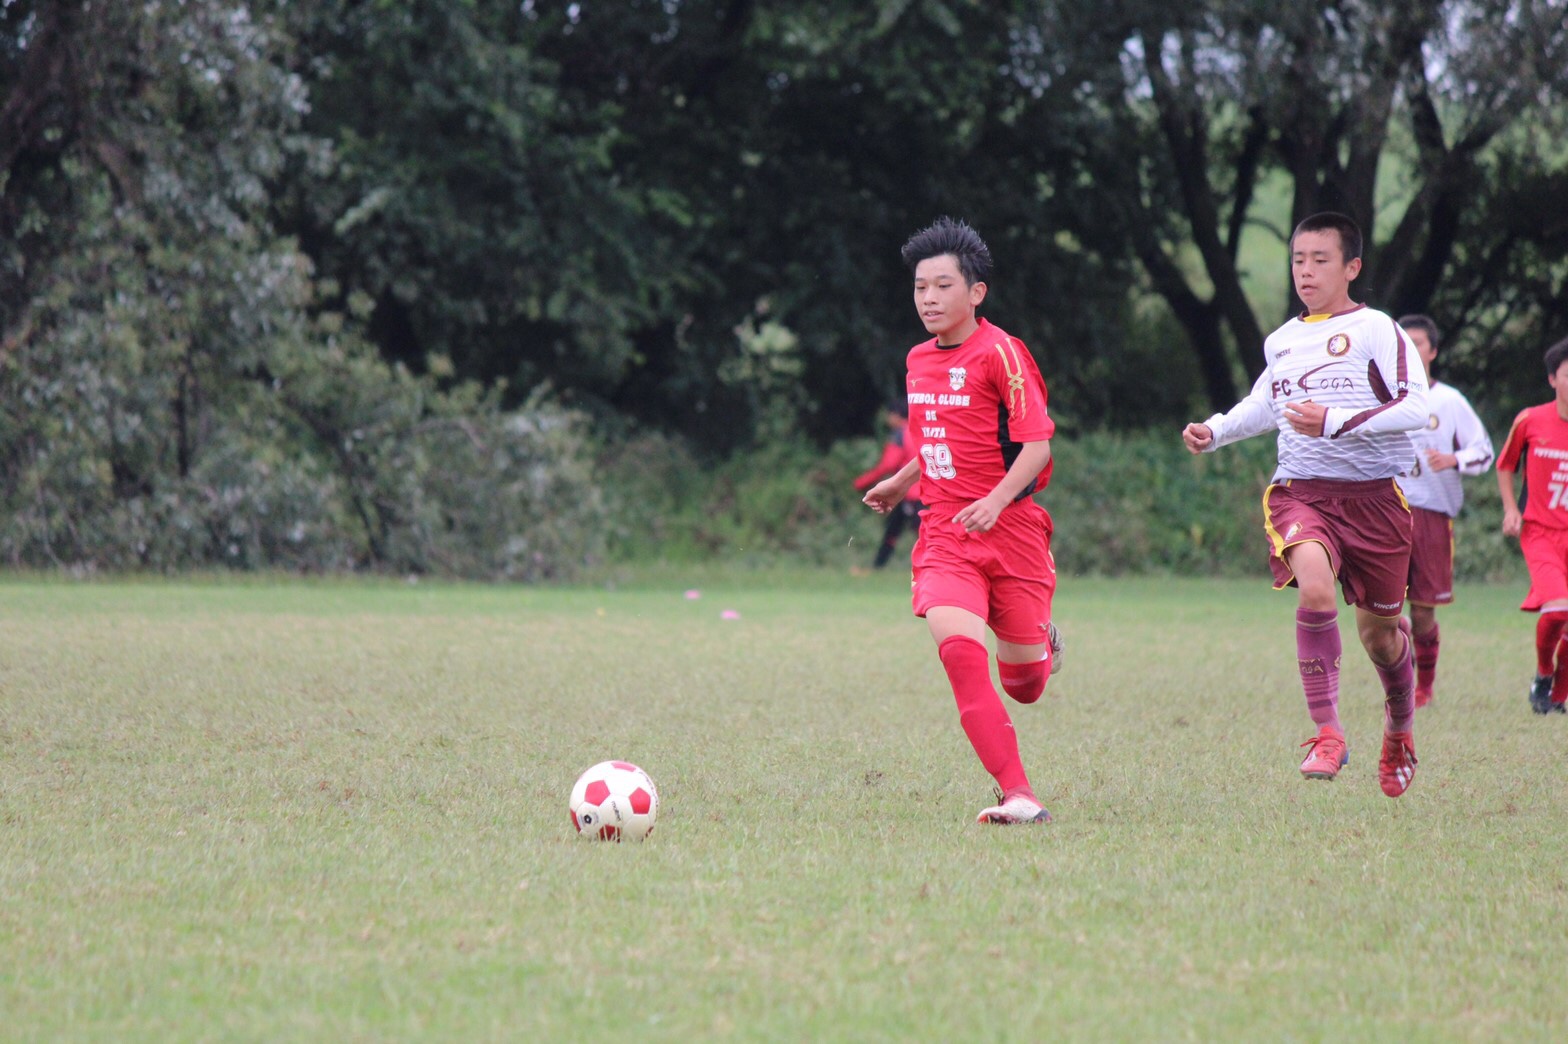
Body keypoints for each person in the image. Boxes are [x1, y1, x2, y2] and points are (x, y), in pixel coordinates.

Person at [1181, 211, 1429, 798]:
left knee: (1382, 637)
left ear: (1352, 267)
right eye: (1298, 260)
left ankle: (1399, 725)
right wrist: (1215, 430)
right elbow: (1265, 403)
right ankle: (1329, 732)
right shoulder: (1283, 341)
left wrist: (1334, 421)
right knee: (1314, 586)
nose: (1306, 271)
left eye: (1320, 260)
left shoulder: (1377, 330)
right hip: (1303, 491)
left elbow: (1416, 409)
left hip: (1377, 503)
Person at [863, 216, 1064, 825]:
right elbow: (941, 438)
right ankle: (1019, 793)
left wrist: (997, 501)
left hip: (1015, 533)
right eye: (921, 286)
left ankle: (1043, 642)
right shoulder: (917, 360)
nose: (929, 297)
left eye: (943, 285)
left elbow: (1037, 449)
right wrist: (903, 481)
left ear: (976, 292)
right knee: (959, 653)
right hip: (947, 531)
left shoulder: (1002, 354)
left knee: (1025, 685)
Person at [1394, 314, 1494, 708]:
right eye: (1405, 343)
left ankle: (1424, 687)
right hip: (1389, 512)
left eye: (1419, 343)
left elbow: (1482, 449)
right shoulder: (1383, 395)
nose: (1412, 350)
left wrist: (1453, 459)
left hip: (1433, 516)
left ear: (1433, 351)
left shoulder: (1449, 401)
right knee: (1382, 612)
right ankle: (1399, 681)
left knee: (1422, 613)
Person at [1496, 335, 1568, 714]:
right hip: (1540, 531)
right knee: (1558, 611)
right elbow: (1505, 464)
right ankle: (1544, 673)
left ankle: (1556, 696)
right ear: (1553, 379)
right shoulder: (1531, 420)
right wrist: (1511, 509)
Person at [852, 400, 923, 570]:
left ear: (896, 416)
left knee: (917, 533)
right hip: (926, 491)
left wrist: (862, 482)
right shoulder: (922, 429)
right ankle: (878, 567)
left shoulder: (900, 434)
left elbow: (888, 465)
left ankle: (934, 568)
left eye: (889, 415)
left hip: (910, 493)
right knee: (895, 530)